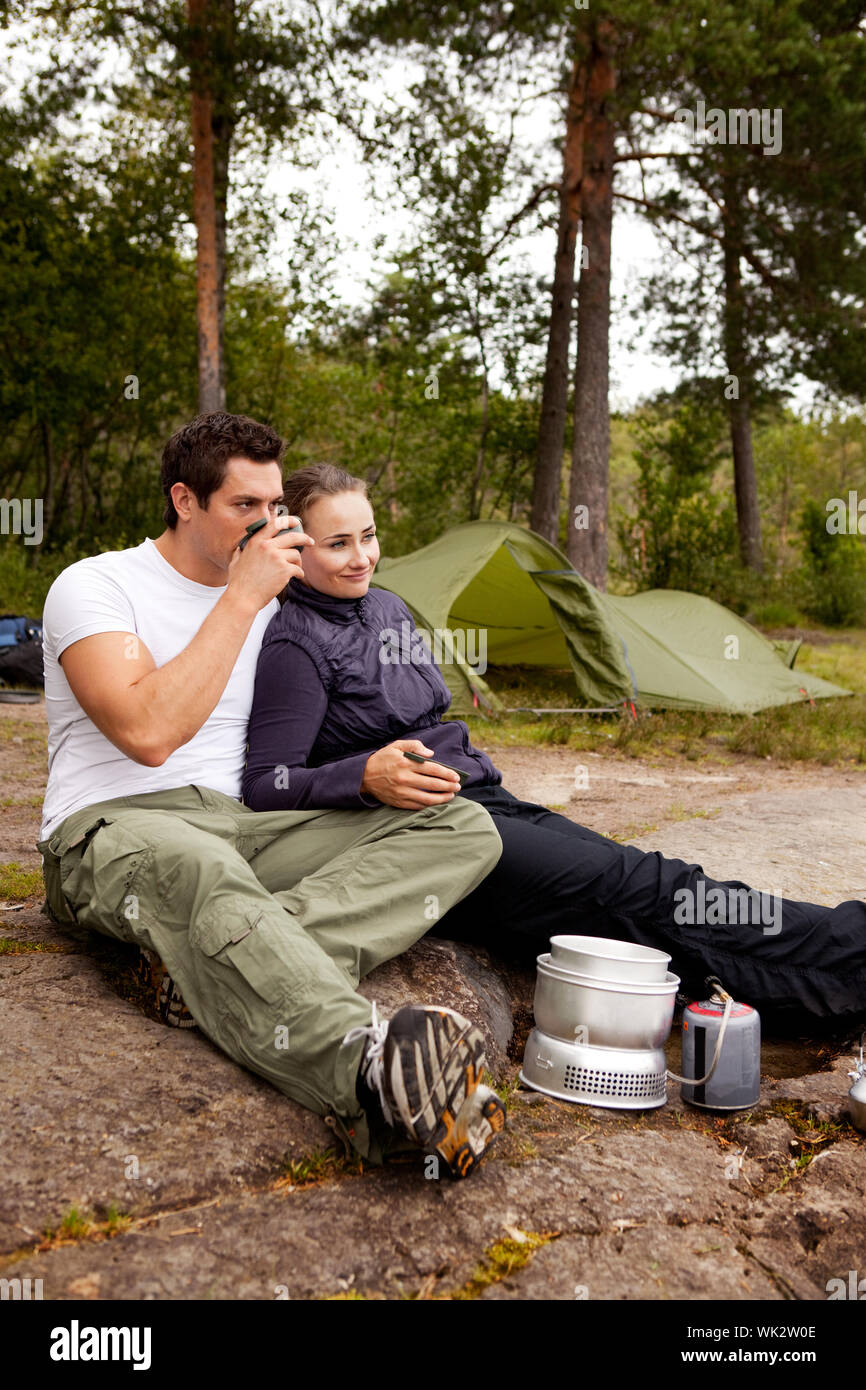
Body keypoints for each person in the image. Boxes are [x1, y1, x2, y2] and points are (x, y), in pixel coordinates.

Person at [37, 413, 507, 1180]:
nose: (266, 525)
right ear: (184, 500)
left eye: (274, 506)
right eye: (243, 507)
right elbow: (149, 732)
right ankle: (372, 1074)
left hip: (243, 826)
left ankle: (210, 968)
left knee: (463, 829)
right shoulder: (95, 587)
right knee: (199, 868)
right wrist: (241, 599)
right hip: (113, 826)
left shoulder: (282, 600)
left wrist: (387, 766)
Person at [243, 463, 866, 1029]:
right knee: (639, 892)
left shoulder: (388, 608)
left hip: (486, 799)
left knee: (649, 884)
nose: (361, 558)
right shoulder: (295, 644)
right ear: (295, 547)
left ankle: (822, 977)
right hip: (428, 840)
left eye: (369, 536)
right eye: (338, 544)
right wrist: (361, 776)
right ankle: (849, 959)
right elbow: (265, 784)